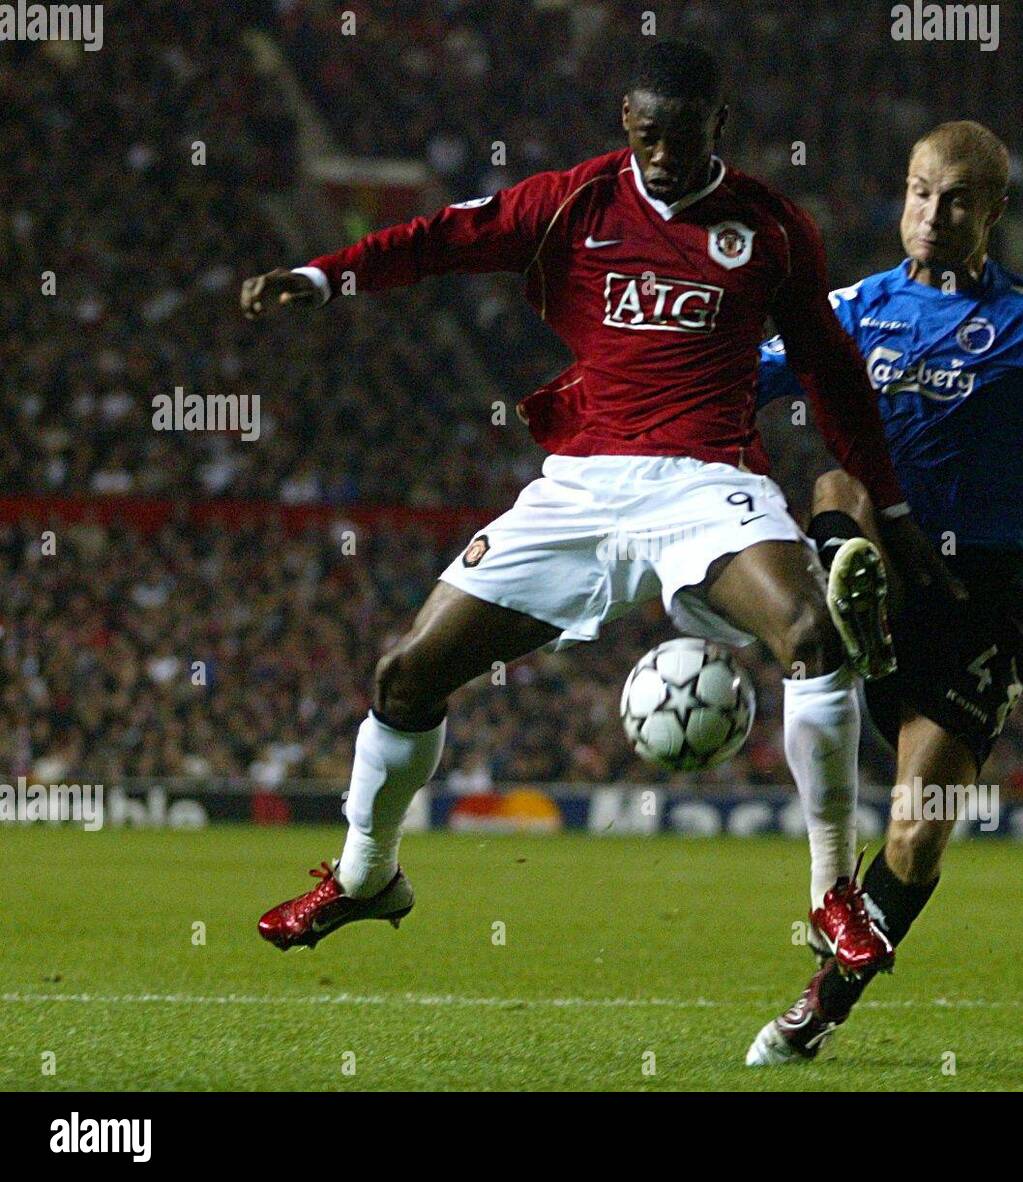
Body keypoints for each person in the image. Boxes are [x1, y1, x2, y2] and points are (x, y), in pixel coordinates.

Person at [240, 40, 956, 974]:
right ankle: (367, 875)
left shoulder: (771, 228)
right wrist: (324, 275)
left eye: (684, 137)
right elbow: (442, 241)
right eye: (648, 135)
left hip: (709, 483)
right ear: (627, 123)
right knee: (404, 678)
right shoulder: (570, 202)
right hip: (580, 486)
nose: (663, 156)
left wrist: (894, 516)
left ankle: (831, 892)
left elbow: (833, 376)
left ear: (720, 129)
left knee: (813, 638)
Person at [746, 120, 1023, 1066]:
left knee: (918, 829)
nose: (934, 216)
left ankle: (819, 1006)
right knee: (841, 478)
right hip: (883, 555)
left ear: (996, 210)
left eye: (960, 199)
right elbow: (741, 379)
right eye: (920, 192)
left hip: (976, 600)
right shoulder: (851, 307)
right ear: (904, 194)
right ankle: (844, 579)